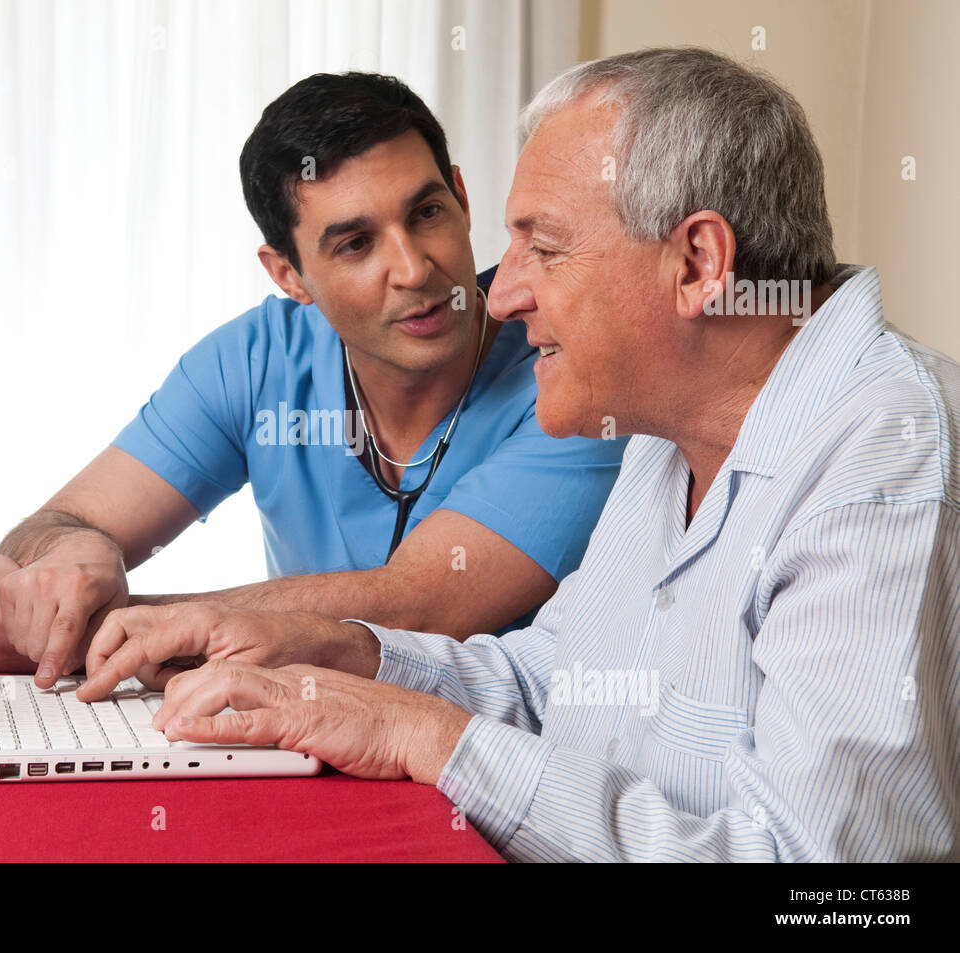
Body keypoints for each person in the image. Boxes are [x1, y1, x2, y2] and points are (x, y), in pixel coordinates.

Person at [72, 48, 960, 862]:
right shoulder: (667, 428)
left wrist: (424, 735)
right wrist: (341, 656)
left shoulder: (883, 462)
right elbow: (557, 686)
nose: (503, 295)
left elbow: (834, 893)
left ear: (696, 263)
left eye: (544, 246)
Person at [0, 71, 628, 685]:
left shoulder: (570, 358)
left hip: (504, 777)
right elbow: (53, 526)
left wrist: (85, 630)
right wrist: (74, 558)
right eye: (354, 243)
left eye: (427, 212)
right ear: (289, 274)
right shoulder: (256, 359)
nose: (413, 269)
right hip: (316, 746)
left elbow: (416, 605)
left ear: (465, 200)